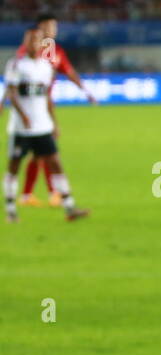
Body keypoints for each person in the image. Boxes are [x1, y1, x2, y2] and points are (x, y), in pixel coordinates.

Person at [5, 29, 90, 223]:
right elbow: (11, 93)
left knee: (55, 163)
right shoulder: (16, 65)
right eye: (29, 40)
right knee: (14, 166)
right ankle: (10, 209)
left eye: (36, 41)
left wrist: (53, 123)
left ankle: (69, 208)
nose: (32, 44)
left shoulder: (46, 67)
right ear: (25, 43)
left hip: (42, 126)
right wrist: (24, 116)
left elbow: (46, 98)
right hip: (21, 129)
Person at [20, 13, 98, 209]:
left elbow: (69, 72)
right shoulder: (29, 52)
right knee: (47, 151)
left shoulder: (55, 51)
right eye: (47, 27)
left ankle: (29, 194)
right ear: (39, 29)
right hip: (32, 107)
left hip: (44, 105)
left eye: (54, 27)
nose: (52, 30)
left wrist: (86, 91)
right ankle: (50, 193)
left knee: (41, 152)